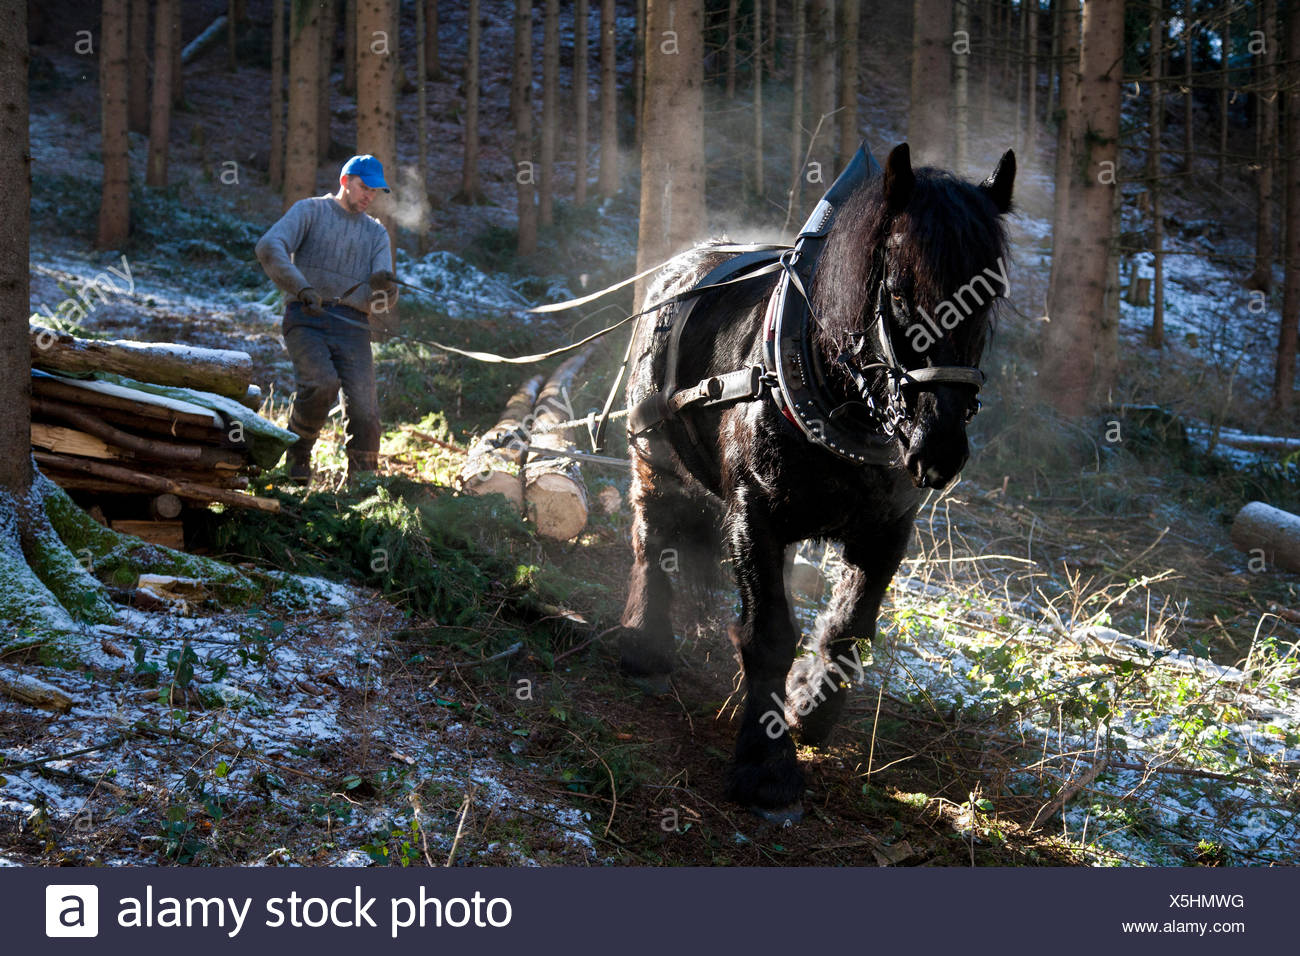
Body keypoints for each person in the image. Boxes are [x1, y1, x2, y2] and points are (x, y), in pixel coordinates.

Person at [255, 154, 398, 484]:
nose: (369, 196)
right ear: (345, 181)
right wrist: (301, 287)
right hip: (307, 317)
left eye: (375, 192)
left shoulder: (376, 235)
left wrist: (385, 288)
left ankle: (363, 486)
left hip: (353, 327)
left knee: (366, 413)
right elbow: (269, 245)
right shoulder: (310, 211)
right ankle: (298, 454)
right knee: (321, 384)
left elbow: (382, 300)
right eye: (364, 187)